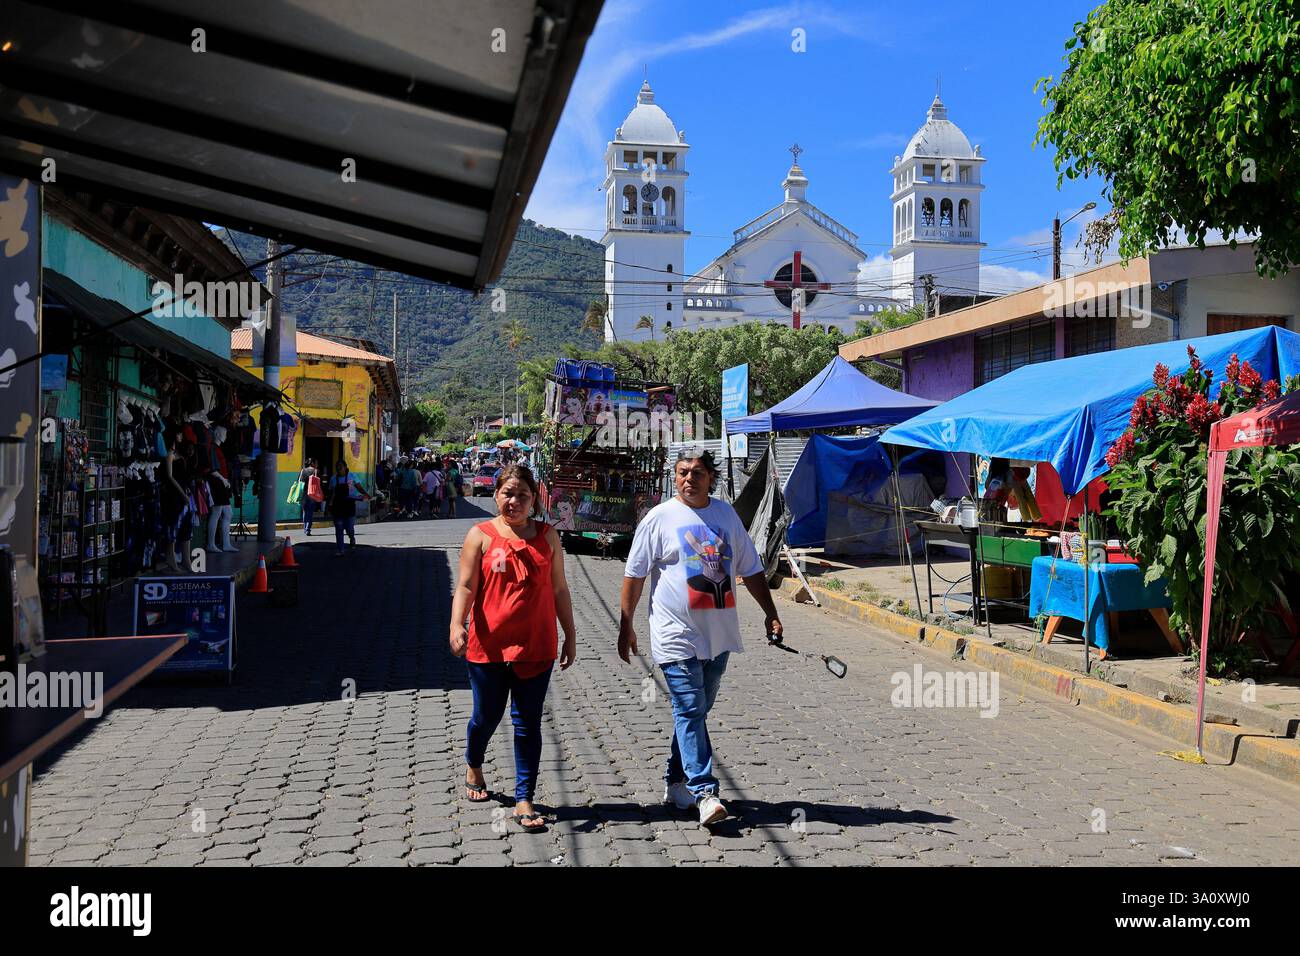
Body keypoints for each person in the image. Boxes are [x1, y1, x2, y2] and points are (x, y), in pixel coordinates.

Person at [619, 448, 784, 827]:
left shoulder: (726, 515)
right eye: (682, 472)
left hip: (719, 635)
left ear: (711, 477)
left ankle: (675, 783)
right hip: (674, 633)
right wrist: (626, 625)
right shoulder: (659, 519)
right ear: (674, 477)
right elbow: (635, 574)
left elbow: (752, 568)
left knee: (696, 712)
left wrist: (771, 613)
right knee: (690, 709)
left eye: (696, 472)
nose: (689, 478)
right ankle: (705, 792)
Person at [450, 464, 576, 830]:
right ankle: (474, 763)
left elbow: (559, 589)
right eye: (508, 493)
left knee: (527, 723)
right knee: (485, 717)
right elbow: (467, 587)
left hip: (536, 646)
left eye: (523, 494)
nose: (515, 501)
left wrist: (569, 632)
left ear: (534, 499)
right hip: (487, 647)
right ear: (496, 495)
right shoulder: (480, 535)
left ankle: (524, 798)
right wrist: (457, 623)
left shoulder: (549, 536)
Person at [327, 459, 369, 555]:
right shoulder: (333, 479)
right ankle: (340, 549)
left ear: (345, 467)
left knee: (349, 527)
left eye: (340, 466)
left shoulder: (352, 476)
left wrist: (366, 494)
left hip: (349, 505)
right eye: (337, 466)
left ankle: (351, 537)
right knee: (339, 527)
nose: (338, 468)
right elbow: (330, 494)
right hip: (337, 506)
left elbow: (359, 487)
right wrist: (328, 506)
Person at [299, 458, 319, 535]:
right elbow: (317, 482)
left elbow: (300, 481)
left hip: (304, 493)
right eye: (316, 463)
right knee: (310, 512)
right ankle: (308, 529)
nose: (317, 465)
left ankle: (305, 528)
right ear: (313, 463)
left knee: (305, 511)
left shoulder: (303, 470)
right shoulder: (315, 471)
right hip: (312, 493)